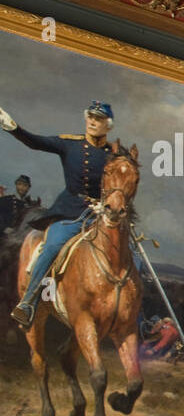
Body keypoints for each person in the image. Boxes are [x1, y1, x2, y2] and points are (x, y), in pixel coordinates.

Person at [1, 100, 117, 329]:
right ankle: (28, 302)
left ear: (108, 126)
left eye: (99, 119)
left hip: (101, 218)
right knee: (52, 247)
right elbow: (36, 142)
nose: (93, 122)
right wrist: (13, 128)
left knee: (129, 254)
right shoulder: (69, 144)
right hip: (70, 214)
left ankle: (127, 315)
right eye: (91, 117)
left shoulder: (114, 153)